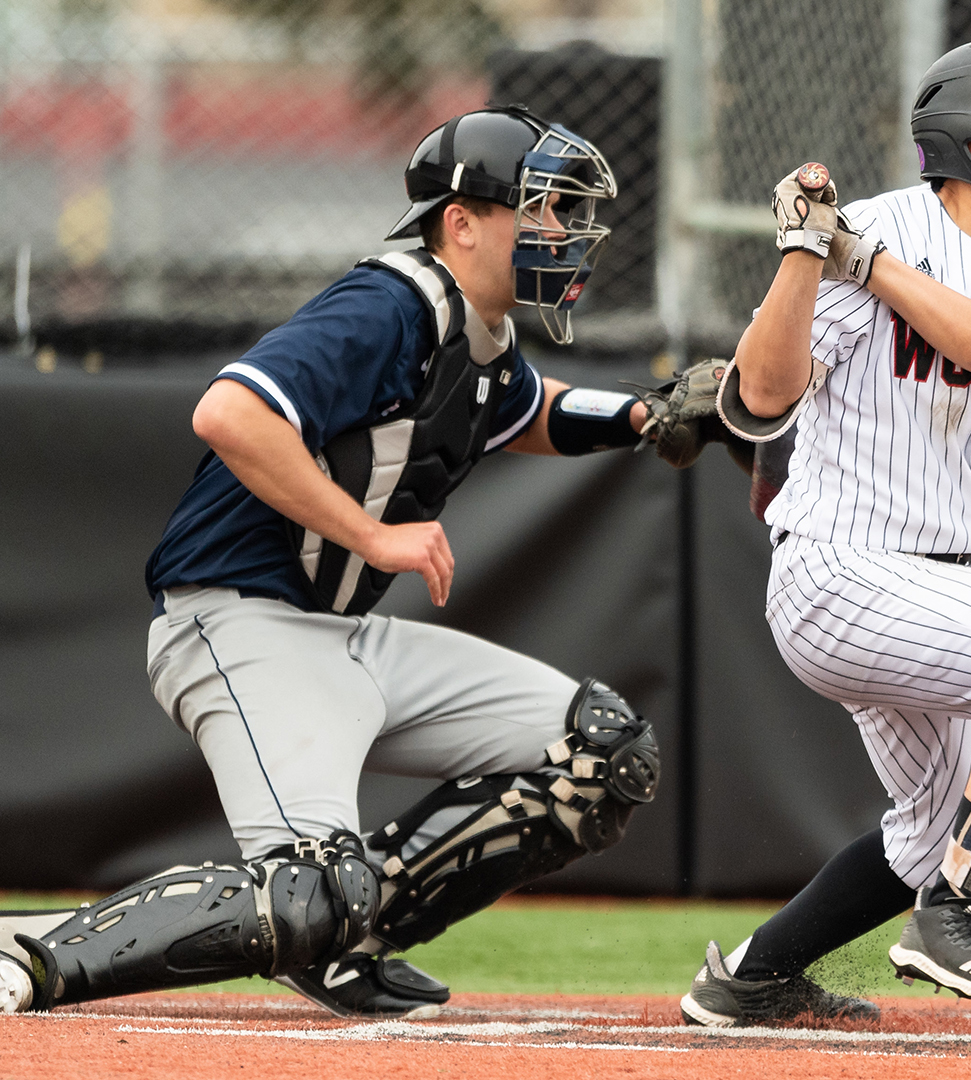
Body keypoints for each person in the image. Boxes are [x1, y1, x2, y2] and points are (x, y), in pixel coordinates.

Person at [0, 106, 682, 1019]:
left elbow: (534, 413)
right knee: (304, 889)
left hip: (343, 636)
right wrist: (371, 536)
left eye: (565, 211)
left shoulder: (478, 334)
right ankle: (34, 950)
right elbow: (231, 415)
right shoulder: (391, 302)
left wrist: (649, 414)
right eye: (545, 210)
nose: (564, 232)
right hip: (238, 623)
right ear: (463, 220)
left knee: (605, 749)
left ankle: (344, 936)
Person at [678, 36, 971, 1027]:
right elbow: (759, 395)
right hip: (840, 571)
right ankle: (957, 916)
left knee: (931, 832)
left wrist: (867, 264)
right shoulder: (866, 228)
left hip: (938, 585)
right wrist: (806, 254)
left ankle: (747, 978)